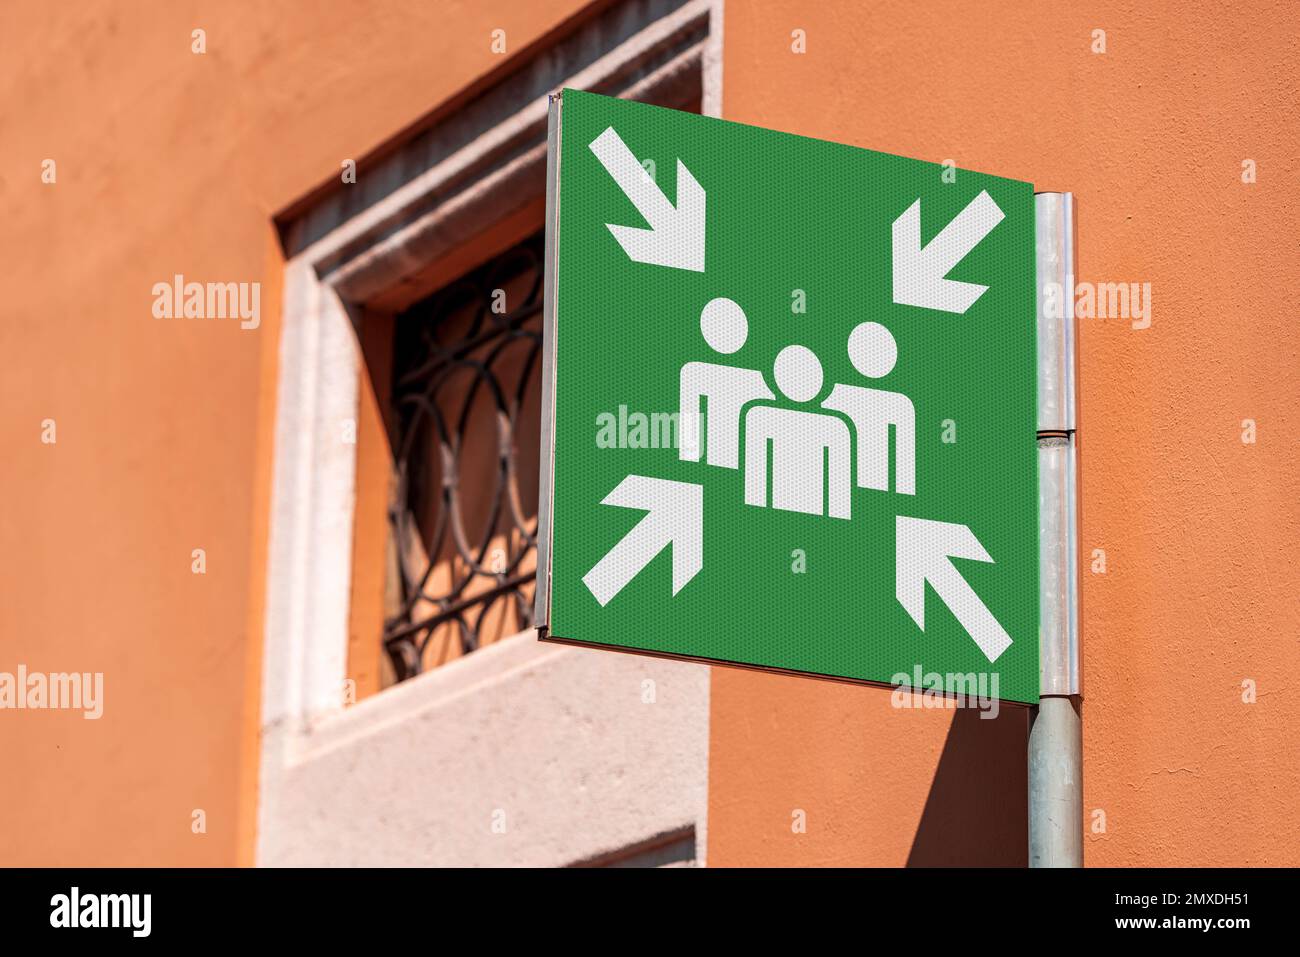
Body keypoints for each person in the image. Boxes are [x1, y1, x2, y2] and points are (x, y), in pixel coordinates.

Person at [743, 345, 851, 520]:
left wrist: (837, 519)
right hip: (770, 513)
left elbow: (839, 490)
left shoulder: (835, 425)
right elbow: (756, 481)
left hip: (820, 517)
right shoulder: (760, 415)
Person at [821, 321, 915, 495]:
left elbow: (904, 468)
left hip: (884, 488)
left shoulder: (899, 404)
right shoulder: (839, 394)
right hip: (849, 483)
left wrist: (900, 490)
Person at [679, 297, 773, 468]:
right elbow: (689, 431)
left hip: (741, 464)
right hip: (706, 463)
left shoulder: (756, 379)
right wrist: (691, 460)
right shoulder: (694, 372)